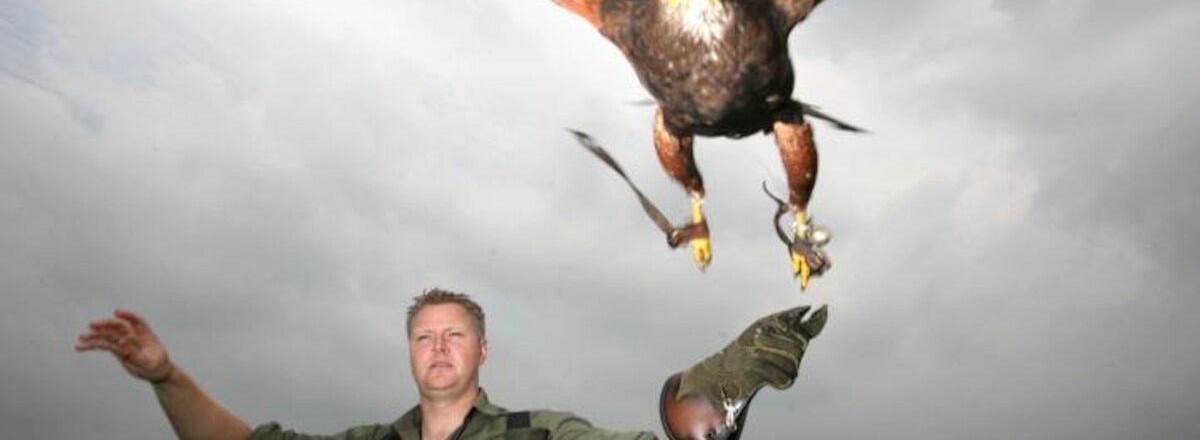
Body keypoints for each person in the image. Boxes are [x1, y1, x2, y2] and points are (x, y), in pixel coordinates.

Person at [76, 288, 826, 440]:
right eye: (425, 336)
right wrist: (166, 377)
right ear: (409, 352)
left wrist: (709, 396)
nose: (438, 347)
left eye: (454, 335)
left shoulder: (542, 434)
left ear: (482, 351)